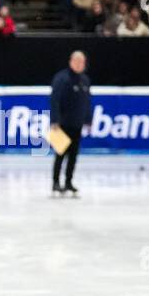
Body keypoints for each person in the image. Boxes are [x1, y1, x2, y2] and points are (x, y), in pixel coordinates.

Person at [49, 50, 91, 196]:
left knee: (73, 156)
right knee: (60, 154)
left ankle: (68, 182)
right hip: (62, 124)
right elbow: (54, 100)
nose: (80, 65)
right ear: (71, 61)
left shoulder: (85, 80)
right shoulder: (62, 78)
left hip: (77, 124)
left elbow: (87, 102)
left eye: (83, 62)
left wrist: (88, 120)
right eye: (78, 61)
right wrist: (54, 120)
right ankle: (55, 182)